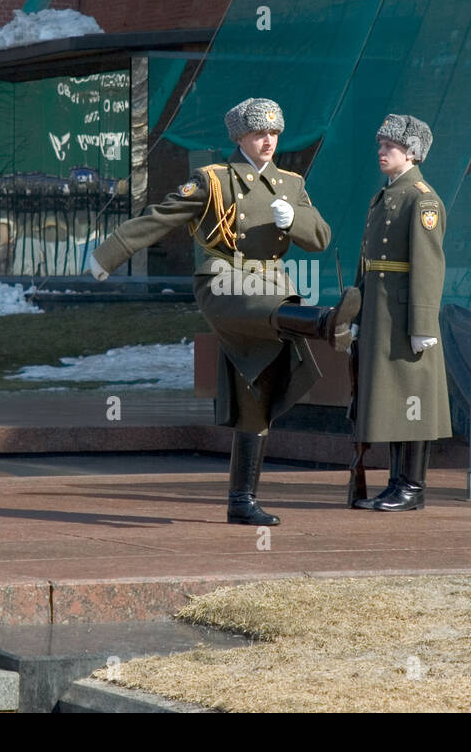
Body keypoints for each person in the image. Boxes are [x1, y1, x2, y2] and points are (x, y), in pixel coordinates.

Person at [87, 98, 360, 525]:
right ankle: (324, 322)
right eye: (257, 133)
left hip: (273, 281)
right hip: (224, 278)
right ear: (240, 138)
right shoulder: (214, 180)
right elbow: (162, 216)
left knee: (256, 392)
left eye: (273, 132)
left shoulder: (290, 183)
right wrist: (110, 253)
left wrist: (294, 223)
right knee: (258, 304)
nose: (267, 140)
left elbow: (321, 238)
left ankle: (242, 501)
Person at [349, 114, 451, 511]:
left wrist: (423, 323)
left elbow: (429, 264)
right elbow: (368, 262)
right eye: (380, 145)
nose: (381, 151)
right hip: (381, 315)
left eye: (389, 146)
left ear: (410, 152)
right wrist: (358, 315)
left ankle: (412, 487)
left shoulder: (421, 198)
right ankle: (396, 483)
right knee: (394, 401)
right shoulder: (388, 194)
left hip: (406, 317)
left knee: (414, 400)